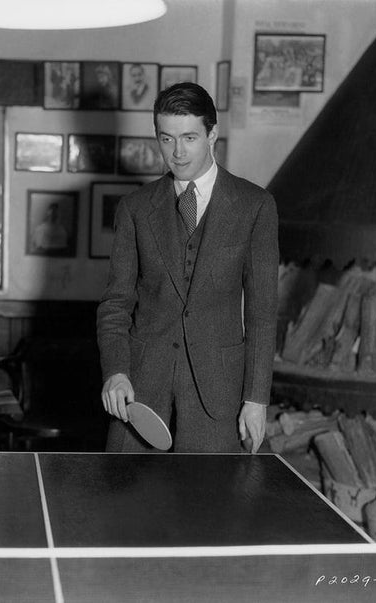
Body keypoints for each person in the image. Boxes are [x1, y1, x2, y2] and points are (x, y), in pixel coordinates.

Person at [97, 82, 279, 453]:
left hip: (218, 394)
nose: (177, 153)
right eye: (166, 139)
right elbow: (115, 305)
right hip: (142, 394)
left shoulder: (255, 206)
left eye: (189, 138)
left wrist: (256, 399)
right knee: (125, 505)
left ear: (213, 135)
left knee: (208, 506)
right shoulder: (134, 209)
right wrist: (116, 371)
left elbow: (262, 312)